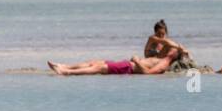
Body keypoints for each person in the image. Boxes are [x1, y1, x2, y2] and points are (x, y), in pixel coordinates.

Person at [48, 47, 181, 76]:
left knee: (98, 68)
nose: (170, 48)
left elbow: (148, 73)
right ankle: (65, 66)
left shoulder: (164, 64)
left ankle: (66, 72)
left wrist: (136, 61)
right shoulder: (161, 58)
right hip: (126, 64)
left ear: (174, 55)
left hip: (128, 67)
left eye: (173, 49)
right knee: (95, 62)